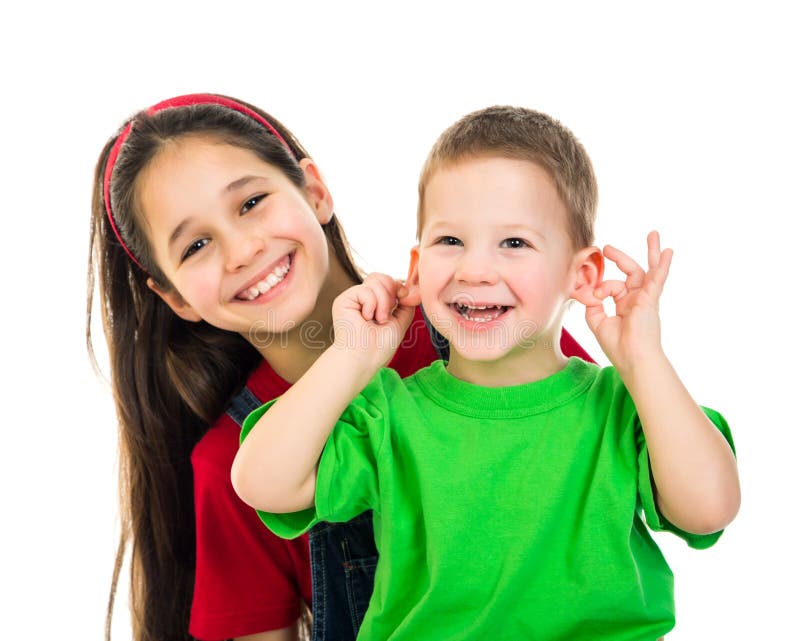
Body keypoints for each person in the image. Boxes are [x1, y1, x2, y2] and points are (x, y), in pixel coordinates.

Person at [87, 95, 593, 641]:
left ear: (315, 191)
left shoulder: (490, 325)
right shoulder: (231, 461)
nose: (240, 250)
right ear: (176, 298)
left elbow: (628, 500)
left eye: (252, 202)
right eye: (197, 245)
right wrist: (352, 357)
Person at [232, 106, 741, 641]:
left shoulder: (624, 405)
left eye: (514, 243)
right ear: (417, 268)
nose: (475, 270)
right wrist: (351, 357)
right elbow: (262, 483)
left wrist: (645, 360)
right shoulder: (388, 412)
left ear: (581, 273)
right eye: (450, 242)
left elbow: (709, 509)